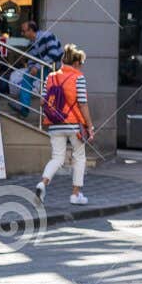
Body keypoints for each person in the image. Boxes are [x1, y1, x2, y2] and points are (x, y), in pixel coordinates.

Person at [34, 44, 91, 206]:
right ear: (76, 63)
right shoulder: (78, 78)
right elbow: (83, 103)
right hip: (74, 124)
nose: (81, 66)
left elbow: (42, 102)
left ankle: (42, 184)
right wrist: (90, 125)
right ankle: (76, 194)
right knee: (79, 157)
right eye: (81, 63)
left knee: (57, 158)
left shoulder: (50, 77)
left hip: (54, 124)